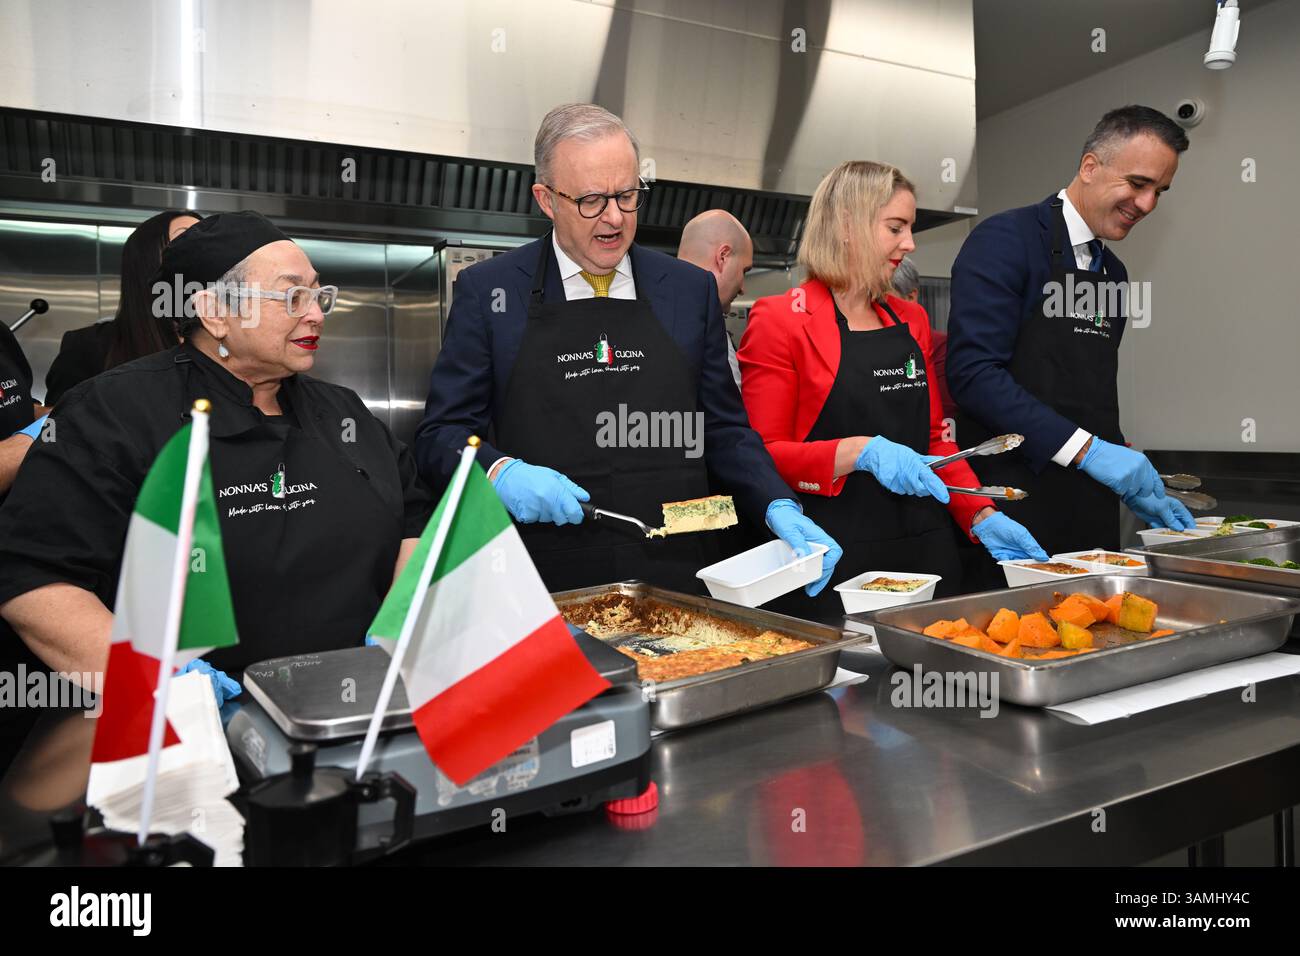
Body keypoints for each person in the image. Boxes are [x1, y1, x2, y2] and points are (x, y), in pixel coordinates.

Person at [415, 104, 841, 597]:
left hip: (676, 570)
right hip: (544, 581)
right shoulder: (490, 294)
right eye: (592, 200)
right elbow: (439, 436)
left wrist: (775, 502)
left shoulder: (688, 290)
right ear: (546, 199)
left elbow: (723, 429)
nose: (614, 218)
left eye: (627, 195)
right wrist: (498, 471)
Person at [0, 211, 432, 691]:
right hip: (183, 732)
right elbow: (35, 580)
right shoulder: (112, 412)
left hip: (356, 708)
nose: (315, 313)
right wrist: (166, 684)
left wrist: (400, 618)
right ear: (216, 313)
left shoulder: (343, 411)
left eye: (318, 294)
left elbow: (413, 519)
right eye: (293, 296)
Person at [738, 161, 1046, 619]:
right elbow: (762, 453)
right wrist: (860, 451)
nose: (910, 244)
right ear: (847, 226)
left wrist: (980, 513)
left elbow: (937, 441)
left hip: (927, 550)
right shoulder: (780, 320)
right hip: (836, 554)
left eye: (910, 228)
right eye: (895, 227)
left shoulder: (911, 319)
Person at [946, 105, 1195, 555]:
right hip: (1011, 505)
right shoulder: (1006, 239)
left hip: (1091, 507)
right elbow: (974, 375)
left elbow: (1090, 390)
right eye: (1138, 184)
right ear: (1089, 167)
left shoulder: (1113, 271)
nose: (1147, 205)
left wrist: (1124, 465)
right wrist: (1091, 452)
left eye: (1160, 191)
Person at [44, 209, 201, 407]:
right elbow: (58, 424)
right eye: (186, 237)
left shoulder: (226, 340)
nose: (203, 249)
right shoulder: (89, 346)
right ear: (148, 262)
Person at [677, 209, 754, 387]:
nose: (743, 288)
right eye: (744, 270)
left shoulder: (654, 308)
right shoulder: (704, 330)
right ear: (723, 257)